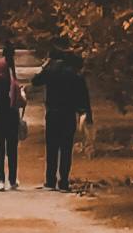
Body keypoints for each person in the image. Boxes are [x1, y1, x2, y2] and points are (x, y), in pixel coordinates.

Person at [38, 41, 93, 190]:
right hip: (68, 114)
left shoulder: (51, 71)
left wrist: (44, 66)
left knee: (52, 148)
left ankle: (50, 180)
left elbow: (35, 81)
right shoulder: (76, 75)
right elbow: (84, 97)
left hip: (53, 113)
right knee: (66, 149)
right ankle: (63, 181)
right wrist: (87, 116)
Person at [0, 51, 26, 189]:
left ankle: (0, 181)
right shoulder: (14, 86)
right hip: (11, 118)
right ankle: (12, 180)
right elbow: (22, 102)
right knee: (12, 150)